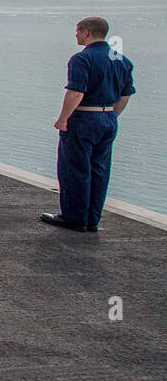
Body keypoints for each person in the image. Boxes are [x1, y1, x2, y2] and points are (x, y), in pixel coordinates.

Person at [41, 17, 135, 232]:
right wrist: (111, 116)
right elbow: (125, 95)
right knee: (100, 170)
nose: (75, 35)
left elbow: (76, 92)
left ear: (86, 32)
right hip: (108, 118)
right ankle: (92, 219)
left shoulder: (81, 59)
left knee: (74, 168)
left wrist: (63, 118)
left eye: (77, 31)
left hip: (84, 118)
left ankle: (73, 217)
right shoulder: (122, 60)